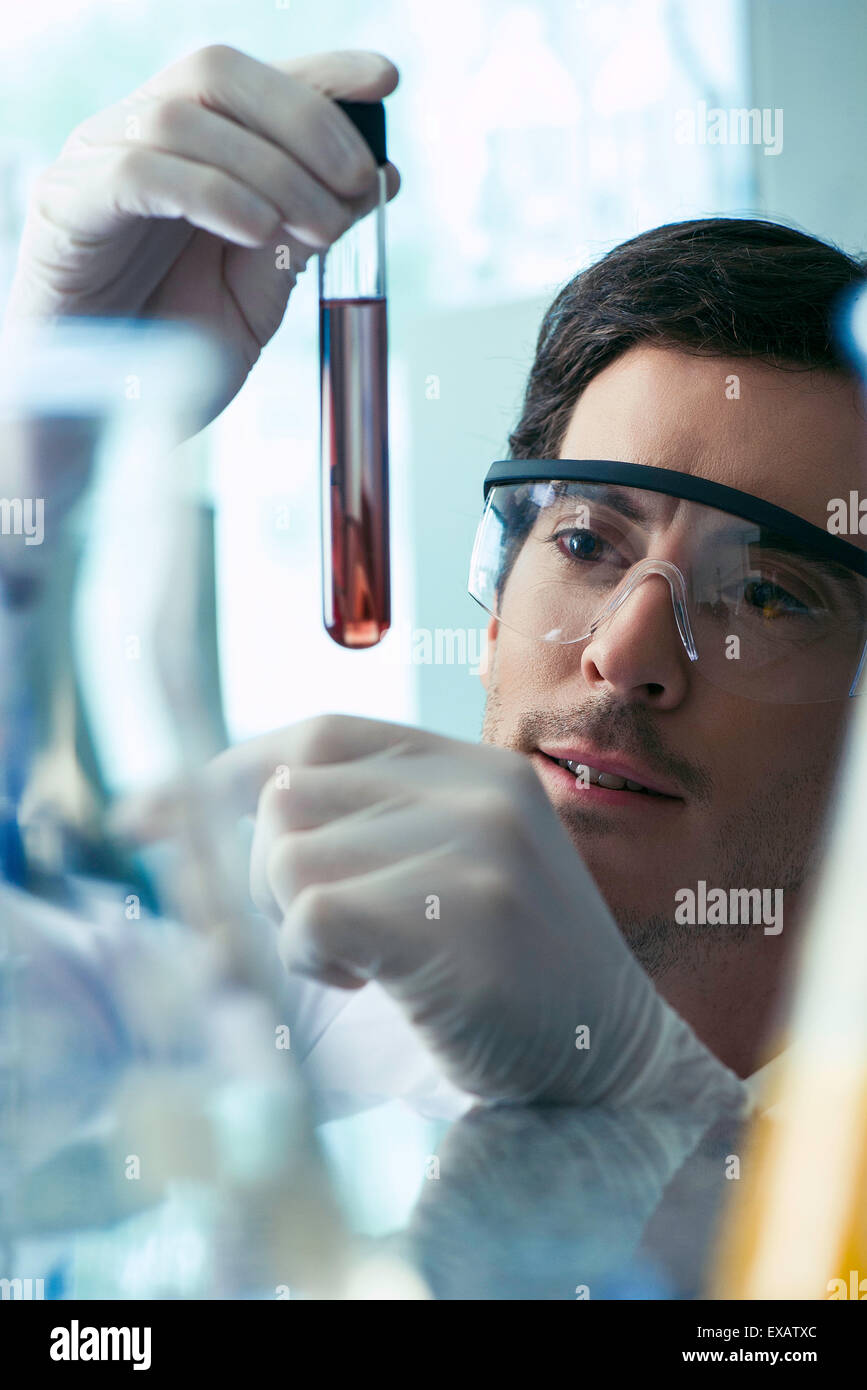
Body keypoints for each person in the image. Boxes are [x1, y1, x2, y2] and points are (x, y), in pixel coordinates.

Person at [5, 45, 866, 1120]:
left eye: (770, 594)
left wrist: (633, 1083)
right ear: (499, 589)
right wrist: (41, 444)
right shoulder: (314, 987)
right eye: (588, 543)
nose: (625, 654)